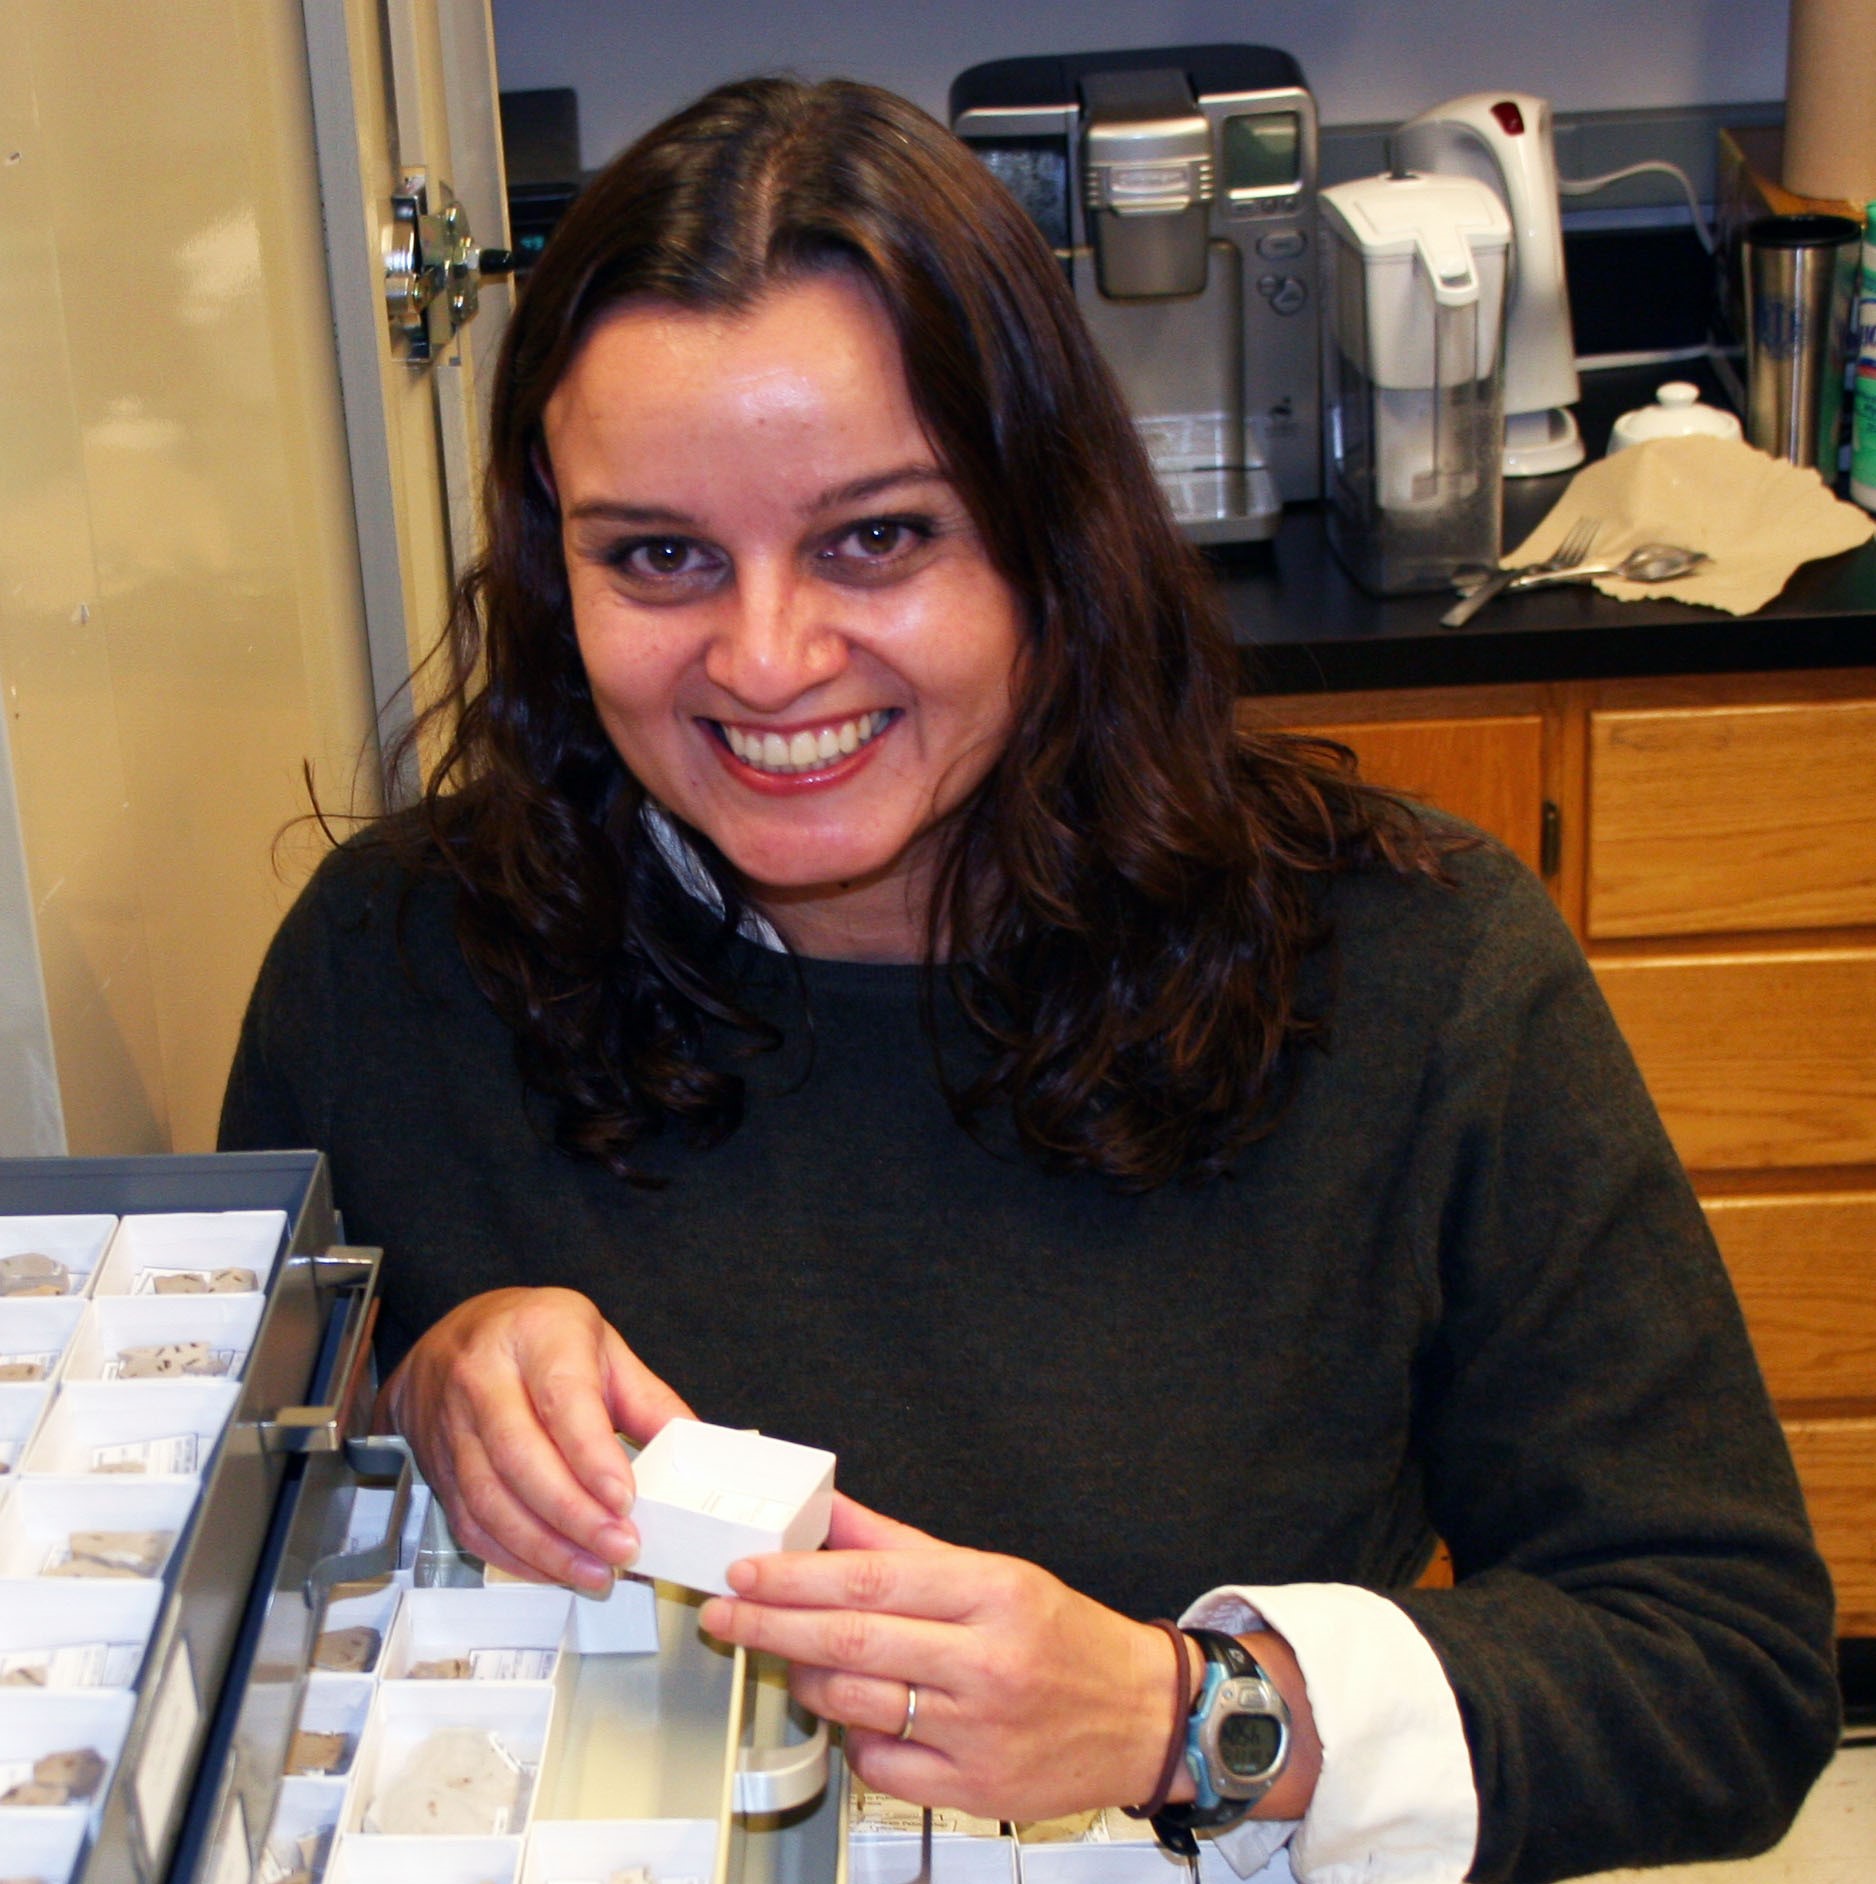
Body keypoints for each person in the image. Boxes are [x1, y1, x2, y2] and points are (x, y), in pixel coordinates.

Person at [220, 75, 1839, 1884]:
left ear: (1051, 533)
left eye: (877, 537)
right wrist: (409, 1399)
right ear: (552, 566)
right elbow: (225, 1623)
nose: (765, 661)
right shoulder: (388, 971)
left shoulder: (1413, 969)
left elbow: (1728, 1669)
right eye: (659, 555)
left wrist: (1188, 1708)